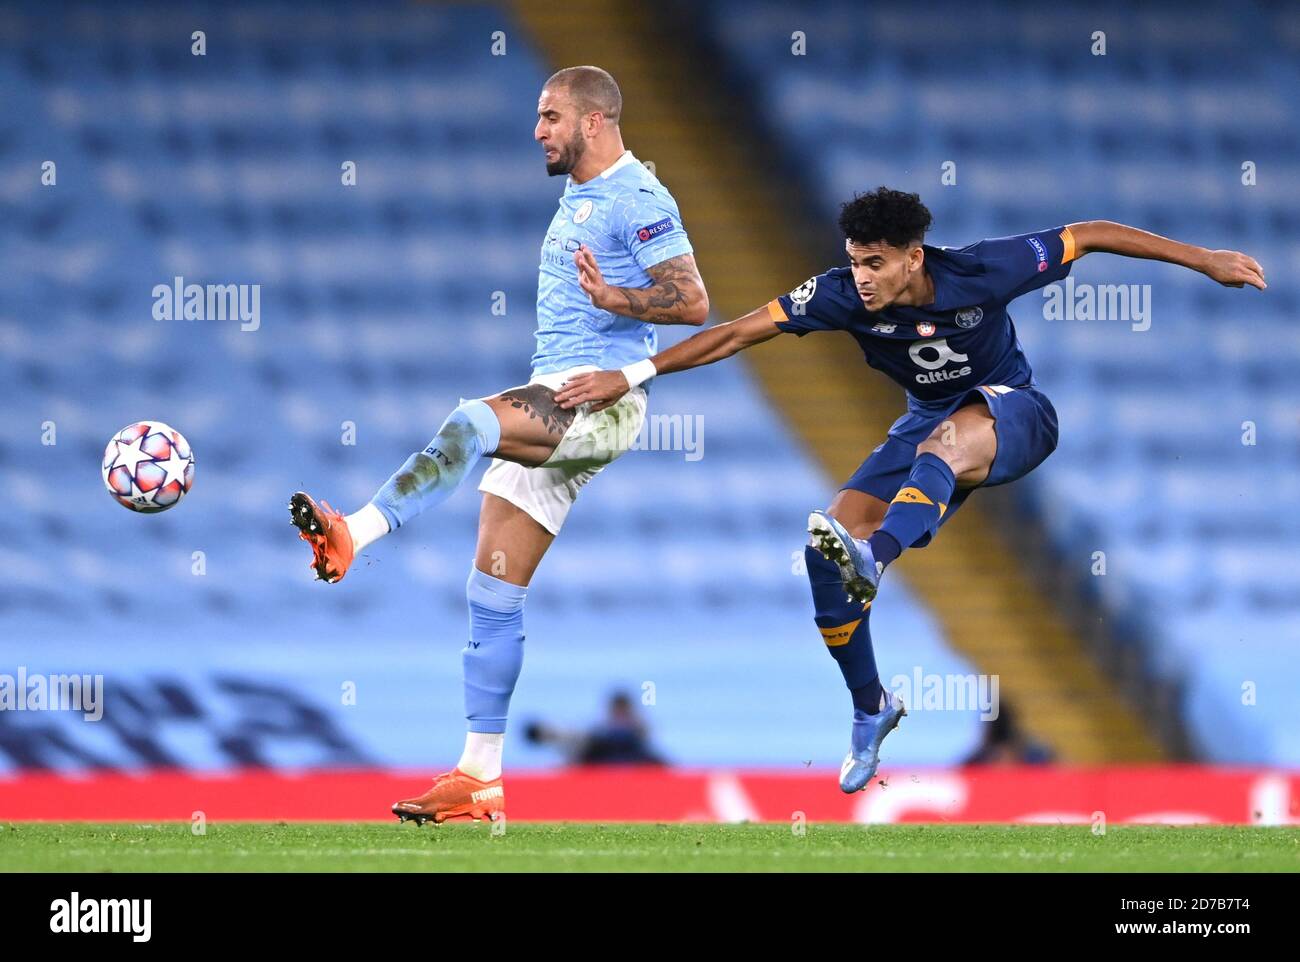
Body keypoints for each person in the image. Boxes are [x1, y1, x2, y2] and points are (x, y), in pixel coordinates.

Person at [554, 186, 1264, 793]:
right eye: (855, 260)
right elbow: (736, 334)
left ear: (912, 257)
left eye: (875, 262)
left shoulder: (985, 269)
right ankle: (871, 706)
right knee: (823, 549)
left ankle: (881, 554)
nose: (860, 276)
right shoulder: (836, 295)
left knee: (943, 445)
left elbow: (1092, 233)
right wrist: (632, 375)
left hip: (1014, 412)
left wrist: (1205, 260)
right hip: (927, 425)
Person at [289, 66, 708, 824]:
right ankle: (480, 779)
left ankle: (357, 531)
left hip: (597, 403)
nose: (537, 131)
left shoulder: (638, 196)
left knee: (473, 423)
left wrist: (621, 300)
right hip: (560, 393)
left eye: (550, 117)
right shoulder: (582, 197)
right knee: (492, 594)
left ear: (593, 122)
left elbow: (694, 300)